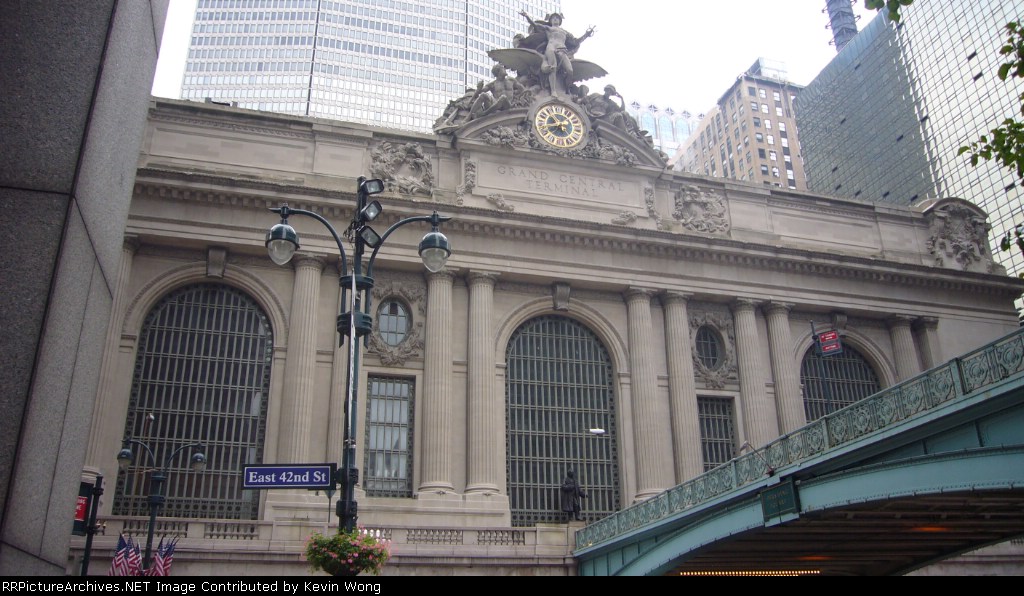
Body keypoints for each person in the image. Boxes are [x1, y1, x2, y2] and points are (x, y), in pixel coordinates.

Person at [518, 11, 594, 90]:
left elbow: (576, 42)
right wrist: (526, 16)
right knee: (552, 68)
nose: (555, 19)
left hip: (562, 50)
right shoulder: (548, 28)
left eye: (557, 18)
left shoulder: (565, 32)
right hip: (551, 48)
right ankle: (553, 91)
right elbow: (535, 25)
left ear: (560, 21)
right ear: (550, 21)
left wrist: (586, 35)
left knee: (570, 70)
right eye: (553, 18)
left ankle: (566, 88)